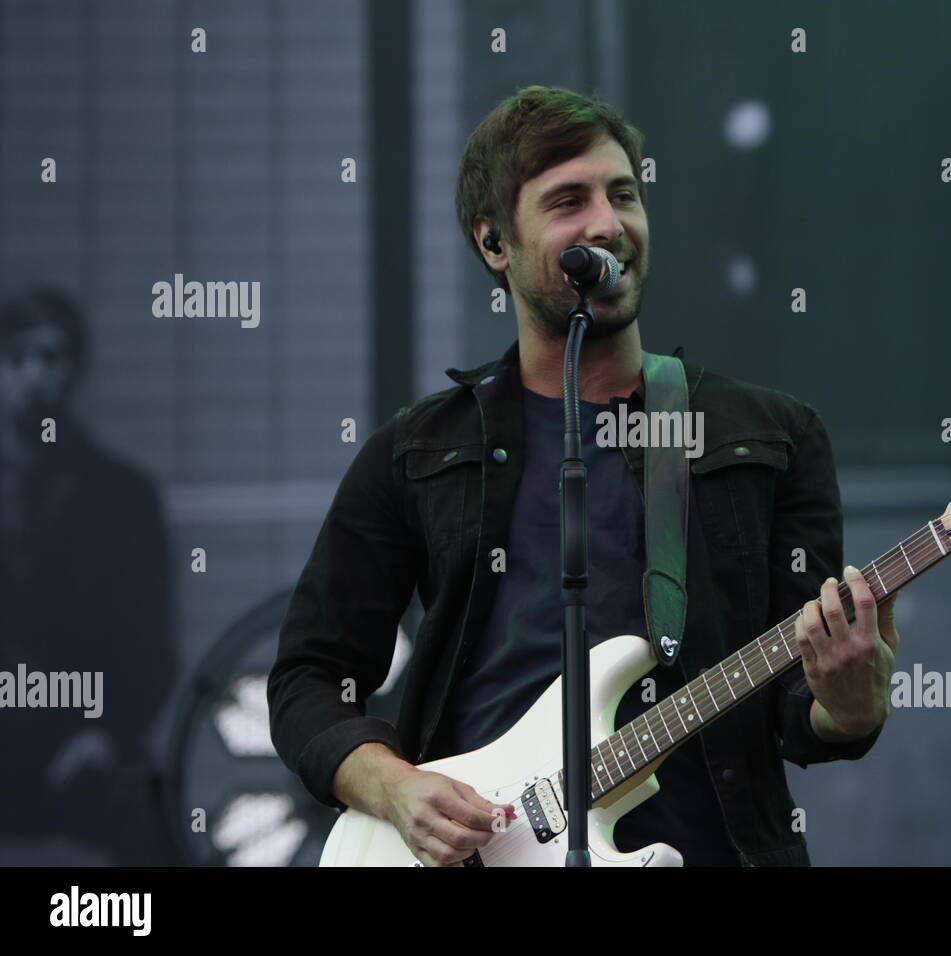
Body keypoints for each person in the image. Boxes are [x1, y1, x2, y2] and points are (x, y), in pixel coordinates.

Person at [268, 85, 899, 867]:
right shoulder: (417, 451)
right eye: (569, 201)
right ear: (495, 242)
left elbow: (796, 711)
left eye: (624, 194)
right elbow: (309, 677)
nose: (608, 223)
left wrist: (848, 706)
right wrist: (393, 787)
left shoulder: (769, 435)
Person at [0, 286, 176, 864]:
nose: (33, 377)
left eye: (50, 357)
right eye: (16, 357)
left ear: (75, 368)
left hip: (85, 752)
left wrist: (105, 735)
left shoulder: (123, 499)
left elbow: (150, 644)